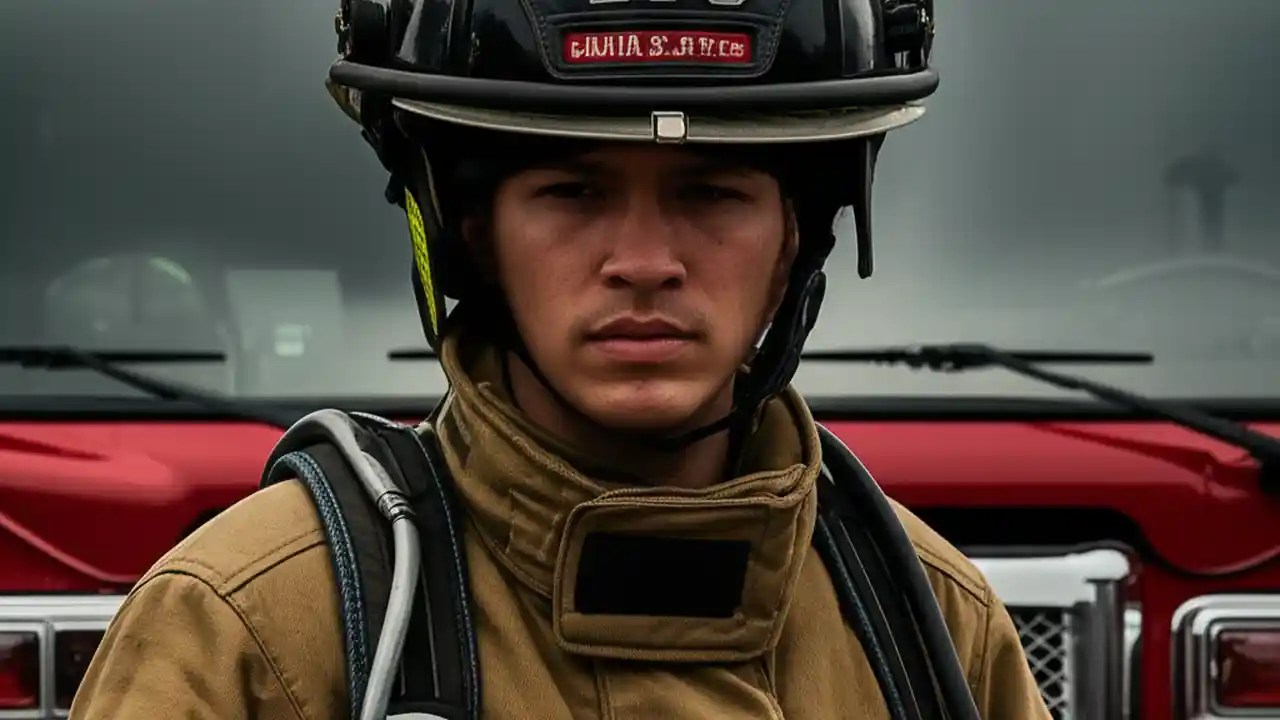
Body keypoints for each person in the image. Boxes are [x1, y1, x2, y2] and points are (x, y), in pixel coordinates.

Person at [70, 0, 1052, 718]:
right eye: (571, 192)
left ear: (793, 241)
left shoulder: (935, 626)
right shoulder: (250, 627)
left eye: (711, 192)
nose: (643, 264)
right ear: (469, 236)